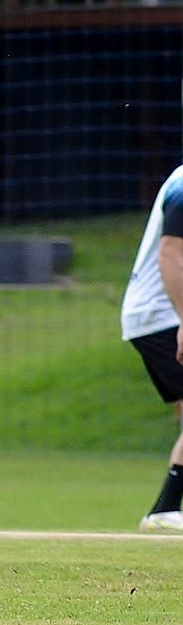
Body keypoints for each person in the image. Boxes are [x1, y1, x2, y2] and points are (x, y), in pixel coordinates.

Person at [121, 163, 183, 533]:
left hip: (154, 315)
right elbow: (171, 254)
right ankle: (164, 510)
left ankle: (165, 510)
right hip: (161, 316)